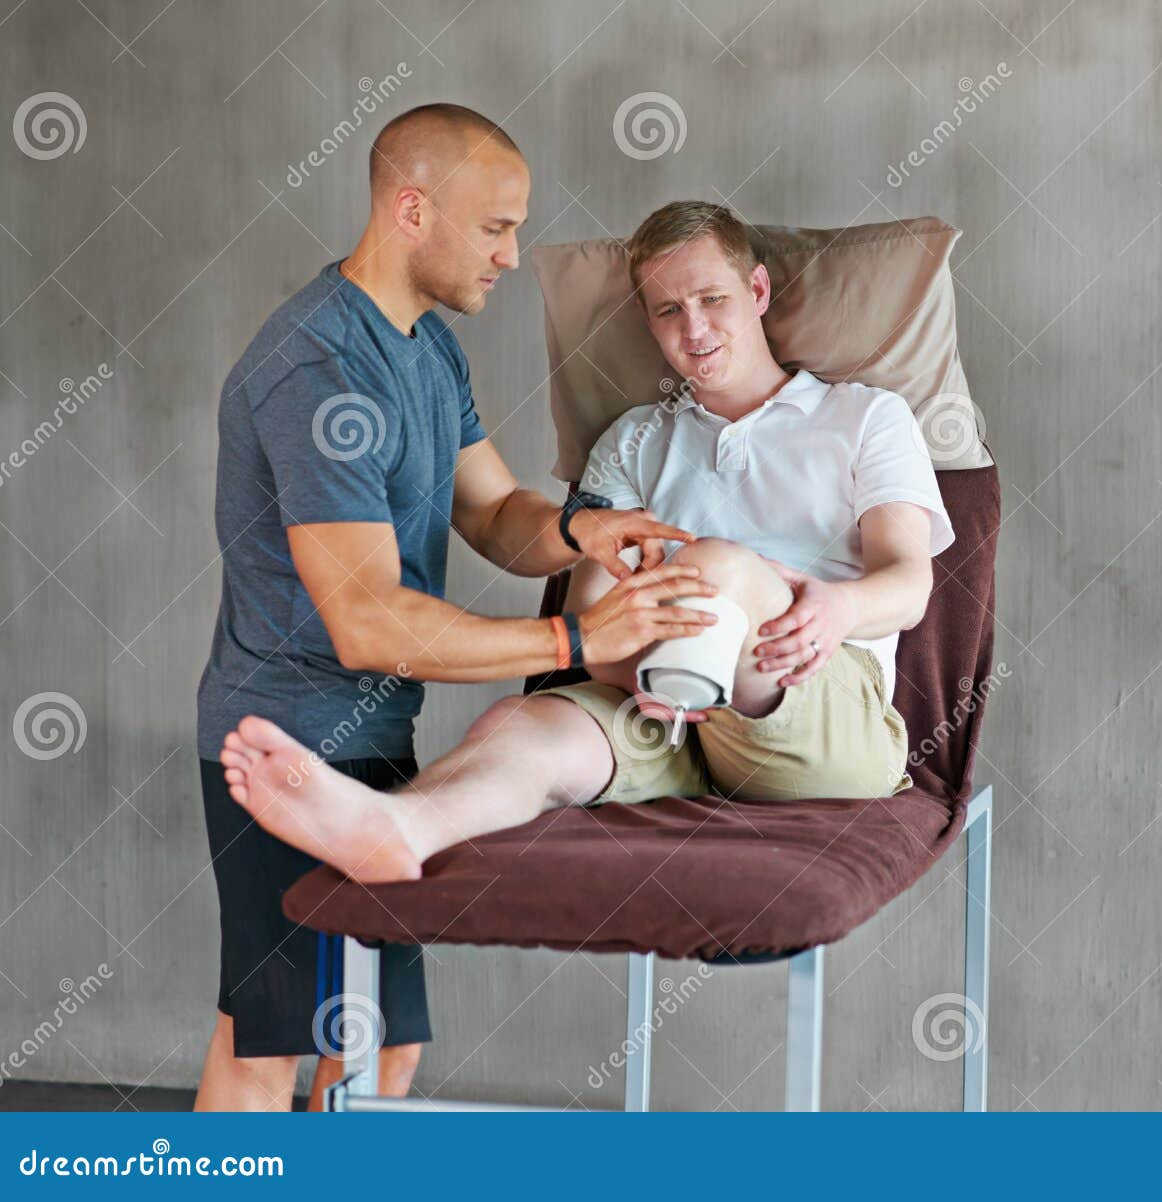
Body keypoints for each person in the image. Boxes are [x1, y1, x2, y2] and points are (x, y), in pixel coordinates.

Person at [214, 198, 954, 919]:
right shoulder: (633, 443)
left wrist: (839, 606)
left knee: (720, 567)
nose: (693, 328)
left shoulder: (863, 417)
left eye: (712, 299)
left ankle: (707, 653)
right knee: (518, 721)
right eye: (668, 311)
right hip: (661, 707)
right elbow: (591, 628)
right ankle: (396, 827)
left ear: (756, 291)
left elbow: (909, 582)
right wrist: (641, 673)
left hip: (811, 696)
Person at [194, 106, 713, 1113]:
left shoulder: (425, 349)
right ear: (412, 209)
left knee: (377, 1052)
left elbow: (492, 509)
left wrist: (582, 533)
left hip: (373, 745)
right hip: (286, 740)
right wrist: (576, 636)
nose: (514, 256)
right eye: (495, 228)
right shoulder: (319, 370)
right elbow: (371, 623)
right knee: (268, 1045)